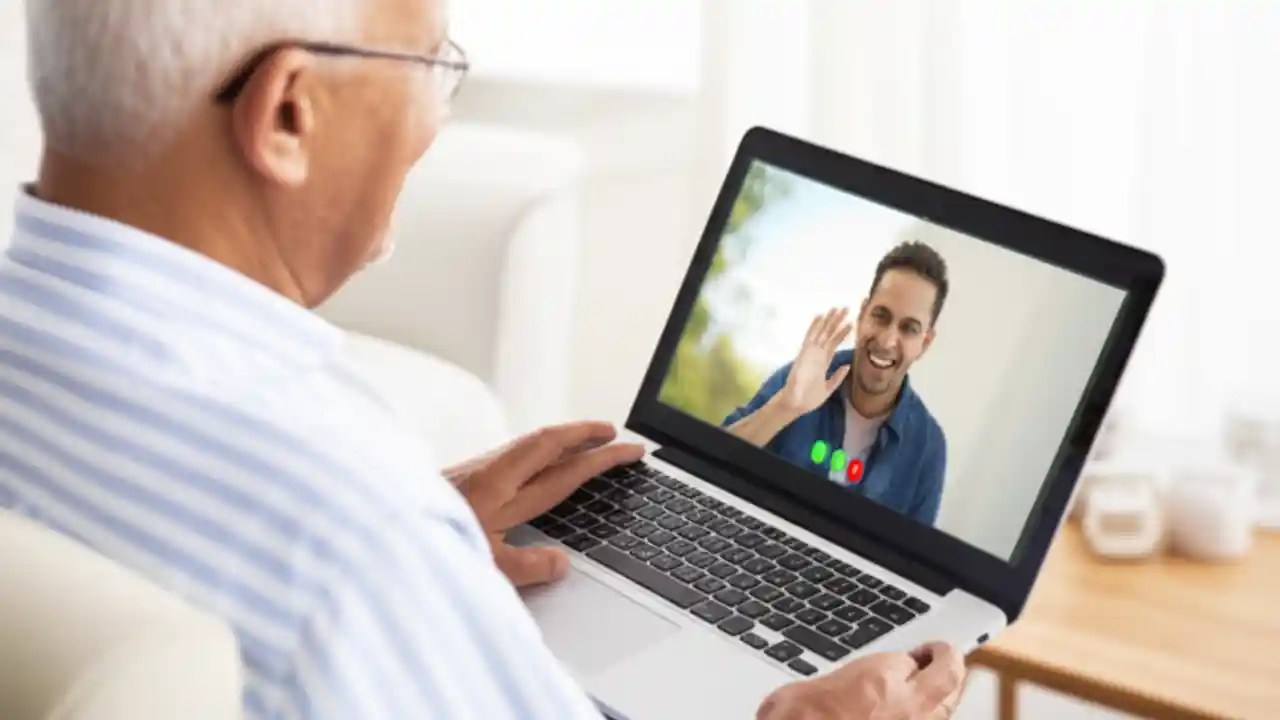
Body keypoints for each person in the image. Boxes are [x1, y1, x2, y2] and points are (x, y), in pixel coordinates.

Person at [0, 1, 965, 717]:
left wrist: (431, 540)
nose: (439, 117)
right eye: (431, 67)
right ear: (289, 114)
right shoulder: (351, 535)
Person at [725, 242, 949, 526]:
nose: (887, 340)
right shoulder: (802, 377)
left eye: (909, 328)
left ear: (925, 343)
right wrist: (785, 407)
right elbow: (709, 461)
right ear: (863, 313)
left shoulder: (928, 447)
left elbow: (913, 563)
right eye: (881, 316)